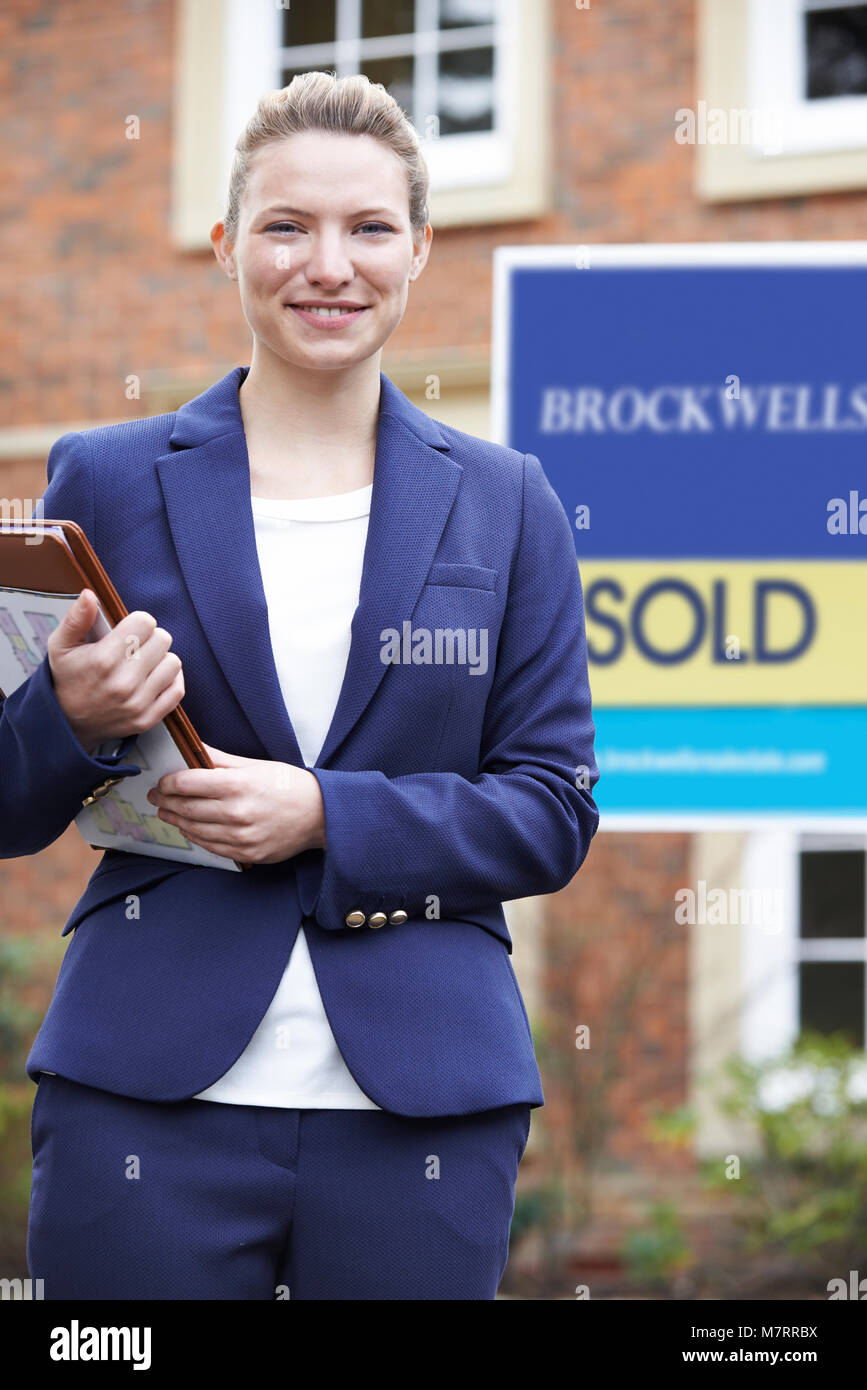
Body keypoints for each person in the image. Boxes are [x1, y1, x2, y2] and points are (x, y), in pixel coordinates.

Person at [10, 72, 599, 1300]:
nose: (328, 263)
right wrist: (71, 717)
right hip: (142, 1095)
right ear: (227, 245)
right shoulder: (106, 480)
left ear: (420, 247)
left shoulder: (510, 501)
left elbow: (551, 806)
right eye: (287, 226)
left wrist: (328, 814)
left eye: (369, 227)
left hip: (424, 1103)